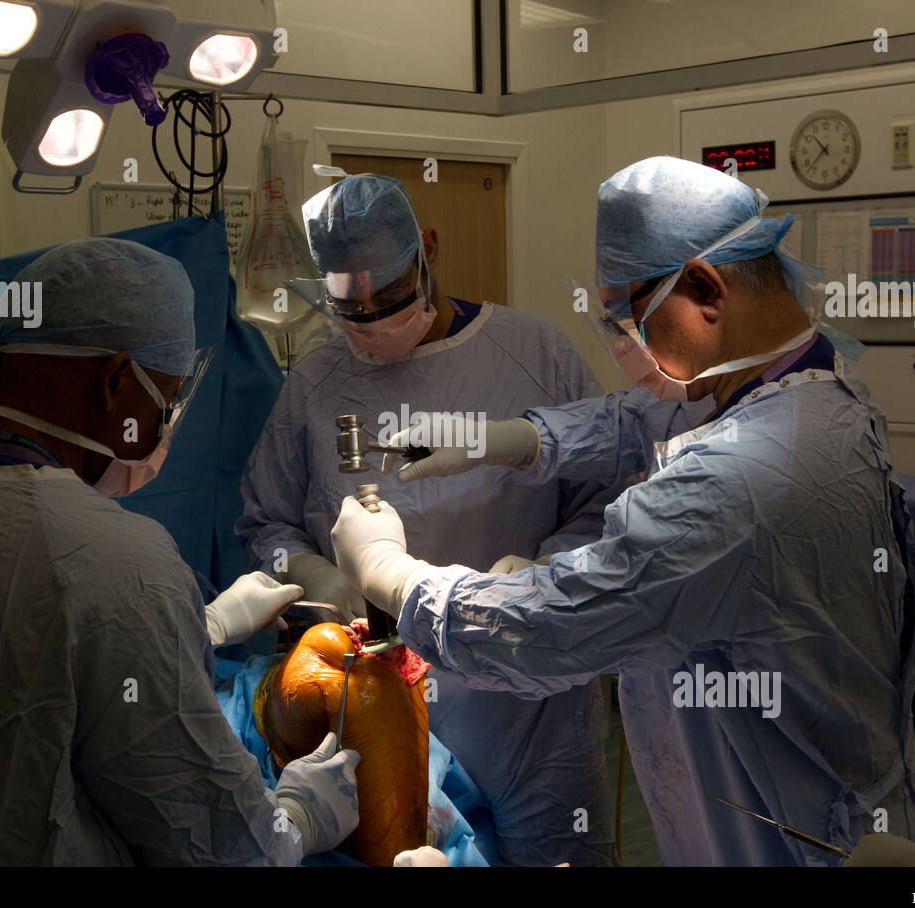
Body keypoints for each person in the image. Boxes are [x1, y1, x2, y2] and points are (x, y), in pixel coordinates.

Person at [329, 156, 915, 866]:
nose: (626, 346)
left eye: (627, 319)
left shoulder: (741, 482)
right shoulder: (802, 383)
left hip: (792, 831)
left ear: (706, 290)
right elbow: (638, 421)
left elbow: (549, 626)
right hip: (806, 792)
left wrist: (390, 574)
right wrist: (501, 440)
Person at [0, 237, 359, 866]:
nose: (166, 426)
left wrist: (199, 628)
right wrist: (298, 818)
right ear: (116, 381)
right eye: (169, 397)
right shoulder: (116, 561)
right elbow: (222, 848)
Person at [236, 173, 629, 866]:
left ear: (429, 250)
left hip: (528, 708)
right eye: (349, 308)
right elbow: (265, 524)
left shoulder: (532, 352)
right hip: (386, 717)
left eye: (388, 298)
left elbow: (607, 501)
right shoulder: (316, 382)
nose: (372, 320)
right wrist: (317, 576)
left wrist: (541, 569)